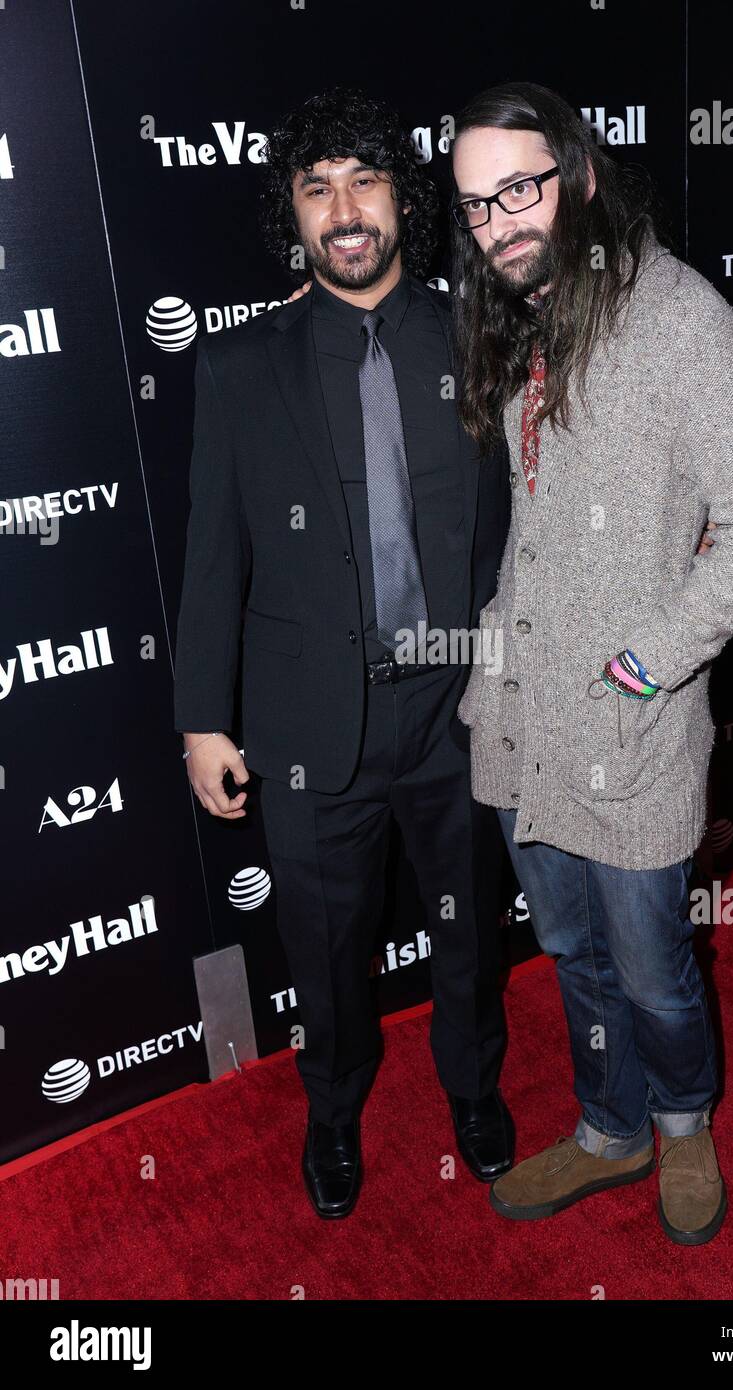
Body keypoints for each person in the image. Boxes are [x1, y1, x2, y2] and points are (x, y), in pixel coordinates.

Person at [449, 82, 733, 1244]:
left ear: (582, 176)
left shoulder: (680, 317)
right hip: (520, 718)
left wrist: (646, 666)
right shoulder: (523, 314)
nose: (499, 221)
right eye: (474, 204)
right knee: (569, 954)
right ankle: (609, 1128)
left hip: (630, 732)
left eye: (519, 187)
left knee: (653, 969)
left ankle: (685, 1120)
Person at [173, 87, 517, 1219]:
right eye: (316, 189)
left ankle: (472, 1090)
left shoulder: (478, 333)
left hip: (456, 710)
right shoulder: (238, 367)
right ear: (295, 214)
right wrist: (201, 717)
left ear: (402, 200)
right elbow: (214, 555)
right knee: (323, 952)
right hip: (310, 724)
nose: (344, 209)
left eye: (364, 181)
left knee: (469, 925)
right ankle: (333, 1113)